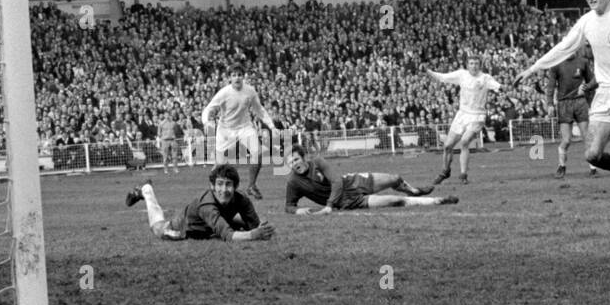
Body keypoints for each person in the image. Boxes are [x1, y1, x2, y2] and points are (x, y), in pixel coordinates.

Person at [515, 0, 610, 211]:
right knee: (592, 155)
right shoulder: (587, 22)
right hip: (605, 93)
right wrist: (533, 68)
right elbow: (563, 48)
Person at [125, 163, 274, 243]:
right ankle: (146, 190)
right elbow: (229, 236)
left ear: (235, 187)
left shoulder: (242, 200)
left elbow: (256, 225)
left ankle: (146, 190)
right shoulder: (207, 205)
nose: (224, 189)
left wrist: (261, 228)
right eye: (220, 184)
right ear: (212, 186)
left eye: (228, 184)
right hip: (180, 229)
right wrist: (253, 235)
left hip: (208, 226)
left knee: (237, 223)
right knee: (157, 226)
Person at [284, 145, 451, 213]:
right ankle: (437, 201)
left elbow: (337, 182)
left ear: (304, 157)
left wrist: (328, 206)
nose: (294, 164)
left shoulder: (318, 162)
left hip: (352, 182)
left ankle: (415, 191)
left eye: (296, 159)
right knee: (395, 201)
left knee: (394, 178)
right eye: (290, 162)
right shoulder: (293, 181)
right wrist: (297, 210)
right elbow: (288, 206)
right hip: (346, 201)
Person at [201, 64, 277, 199]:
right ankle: (211, 190)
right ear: (230, 78)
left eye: (239, 75)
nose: (237, 78)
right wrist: (206, 122)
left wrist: (272, 126)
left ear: (243, 77)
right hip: (225, 130)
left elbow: (259, 110)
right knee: (220, 165)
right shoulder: (224, 93)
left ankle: (251, 186)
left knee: (258, 153)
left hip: (245, 128)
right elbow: (209, 109)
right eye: (234, 75)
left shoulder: (250, 91)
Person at [426, 56, 504, 186]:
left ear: (480, 65)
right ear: (467, 65)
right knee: (447, 146)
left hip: (477, 116)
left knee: (465, 141)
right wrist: (429, 71)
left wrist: (507, 87)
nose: (474, 66)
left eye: (476, 63)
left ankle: (463, 175)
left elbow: (498, 86)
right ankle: (445, 171)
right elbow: (443, 77)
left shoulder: (485, 78)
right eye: (471, 63)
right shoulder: (461, 74)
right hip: (462, 115)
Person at [543, 50, 597, 179]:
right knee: (566, 140)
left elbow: (593, 81)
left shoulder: (582, 62)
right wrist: (550, 104)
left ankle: (593, 167)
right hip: (564, 103)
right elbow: (550, 86)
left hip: (580, 102)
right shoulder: (556, 64)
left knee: (586, 136)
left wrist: (588, 91)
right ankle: (561, 166)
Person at [157, 109, 180, 175]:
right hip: (165, 141)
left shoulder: (173, 123)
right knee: (165, 156)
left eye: (168, 114)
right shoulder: (161, 123)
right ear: (164, 115)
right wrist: (163, 137)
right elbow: (159, 133)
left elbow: (176, 131)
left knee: (174, 156)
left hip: (173, 140)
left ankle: (175, 168)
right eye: (166, 114)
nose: (167, 116)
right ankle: (166, 169)